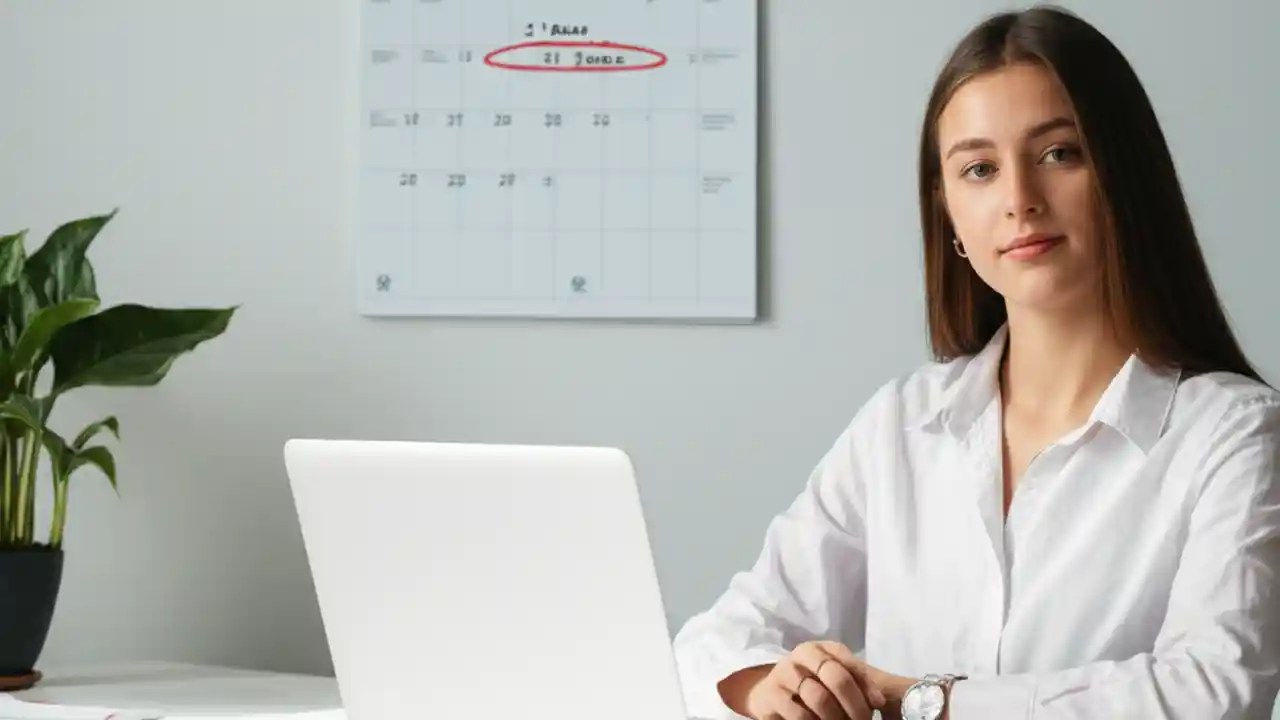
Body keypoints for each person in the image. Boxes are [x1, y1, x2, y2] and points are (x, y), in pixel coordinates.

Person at [671, 5, 1280, 720]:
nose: (1020, 200)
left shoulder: (1236, 434)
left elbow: (1215, 691)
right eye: (980, 169)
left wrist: (927, 702)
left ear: (1124, 175)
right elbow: (715, 641)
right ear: (950, 212)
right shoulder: (901, 424)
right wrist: (775, 688)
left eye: (1060, 153)